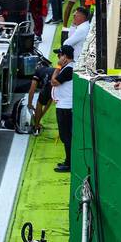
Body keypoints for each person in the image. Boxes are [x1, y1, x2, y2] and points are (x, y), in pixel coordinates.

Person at [50, 45, 74, 173]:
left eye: (60, 55)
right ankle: (68, 161)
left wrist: (58, 67)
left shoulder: (68, 69)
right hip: (64, 106)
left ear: (65, 56)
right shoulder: (68, 68)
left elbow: (53, 82)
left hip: (65, 107)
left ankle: (69, 163)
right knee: (66, 136)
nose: (58, 57)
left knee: (66, 136)